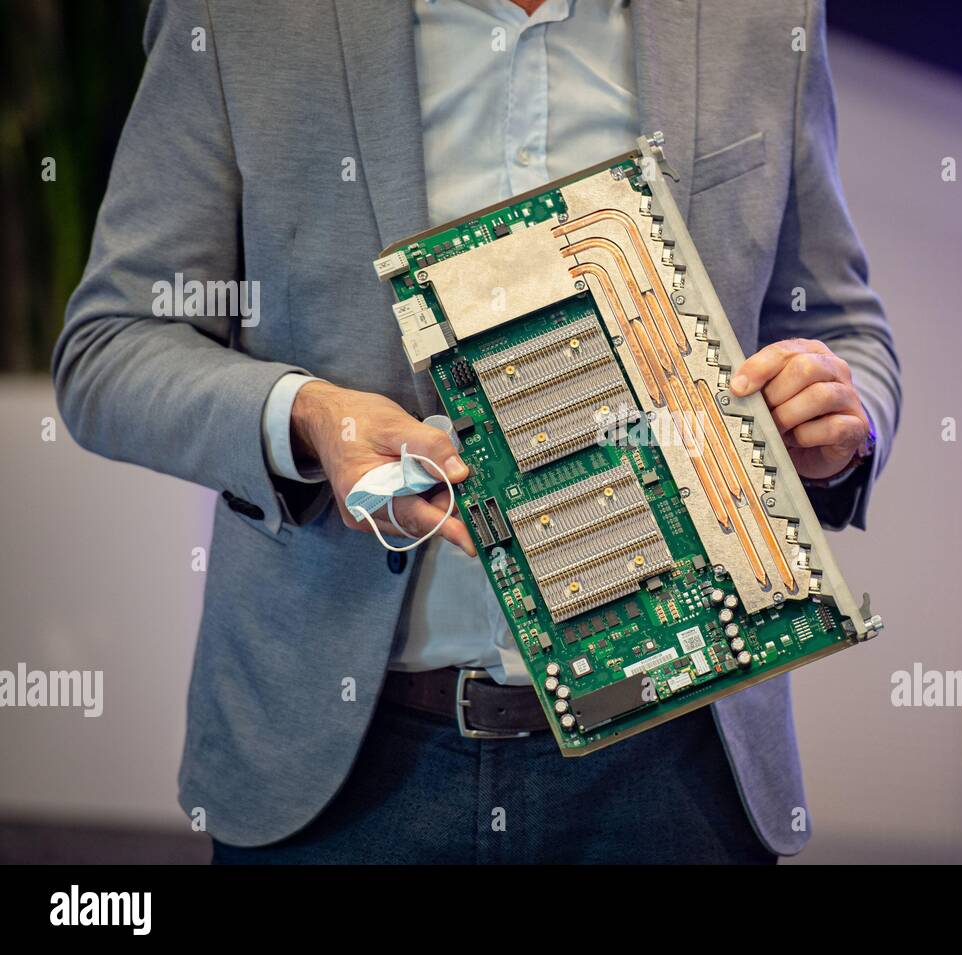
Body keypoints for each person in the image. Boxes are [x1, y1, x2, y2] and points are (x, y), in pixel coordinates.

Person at [52, 0, 900, 864]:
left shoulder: (758, 17)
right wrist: (310, 418)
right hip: (343, 775)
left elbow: (846, 329)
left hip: (675, 767)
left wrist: (844, 412)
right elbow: (110, 348)